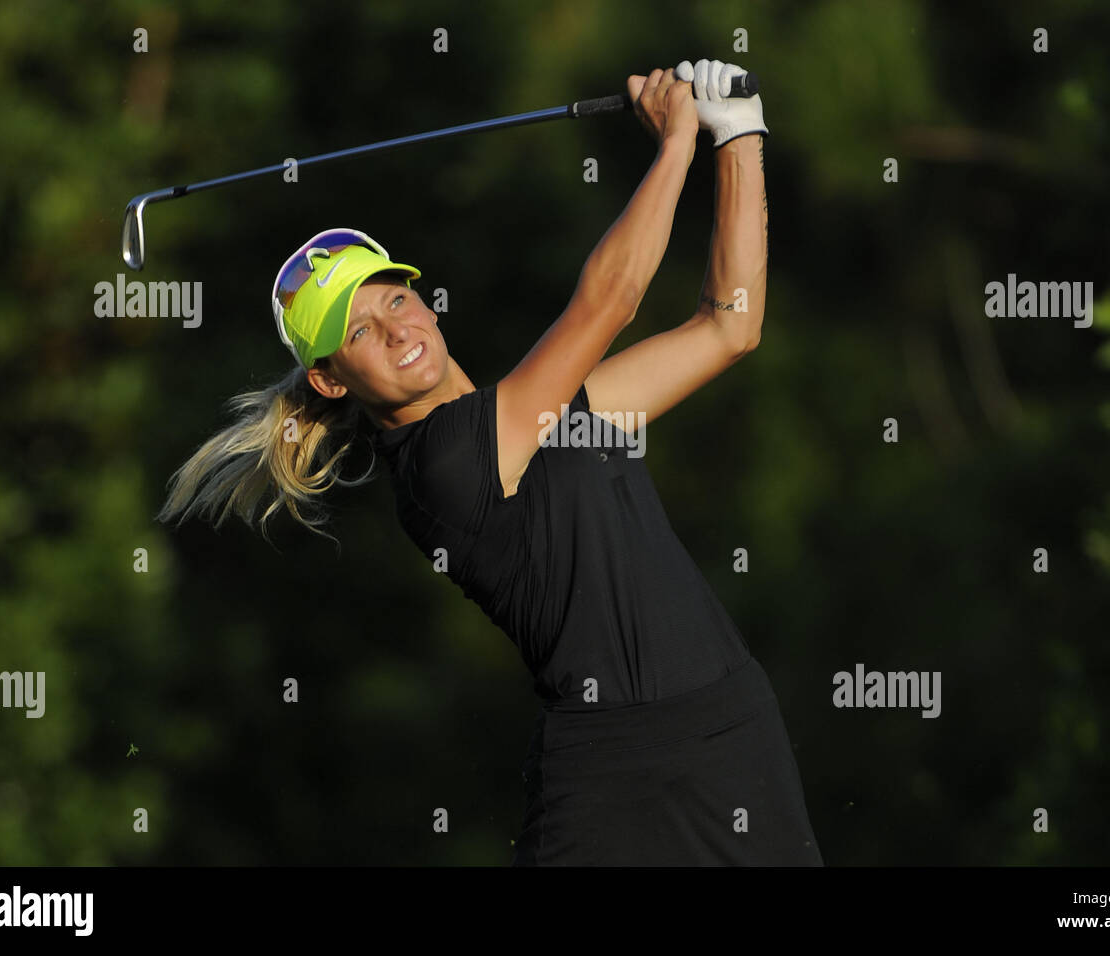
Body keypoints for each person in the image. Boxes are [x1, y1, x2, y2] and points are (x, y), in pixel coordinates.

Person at [158, 59, 823, 866]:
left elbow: (729, 327)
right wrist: (677, 139)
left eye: (393, 298)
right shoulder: (440, 466)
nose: (397, 328)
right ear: (332, 378)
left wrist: (739, 134)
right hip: (617, 779)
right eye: (360, 331)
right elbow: (607, 303)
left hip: (733, 730)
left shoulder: (552, 415)